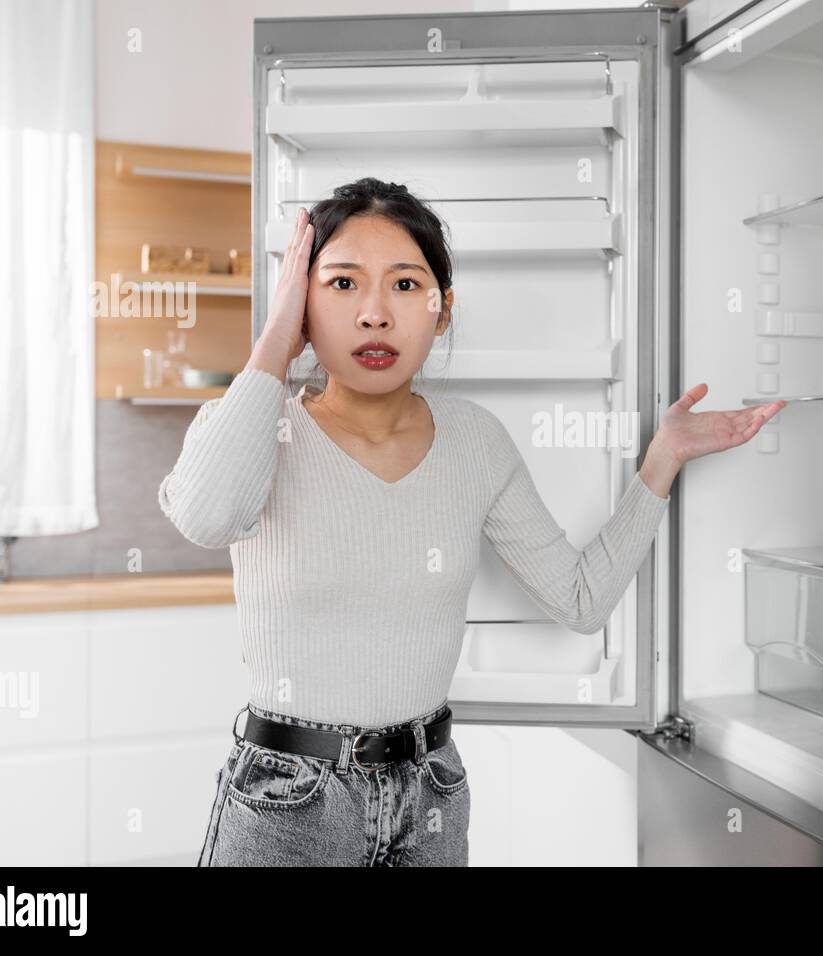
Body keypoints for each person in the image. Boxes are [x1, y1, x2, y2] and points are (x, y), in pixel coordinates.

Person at [159, 177, 785, 866]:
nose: (374, 314)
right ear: (304, 300)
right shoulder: (258, 428)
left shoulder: (475, 442)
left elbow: (580, 600)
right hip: (288, 803)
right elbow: (205, 514)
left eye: (404, 285)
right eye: (341, 284)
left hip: (429, 792)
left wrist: (662, 459)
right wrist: (278, 336)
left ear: (442, 309)